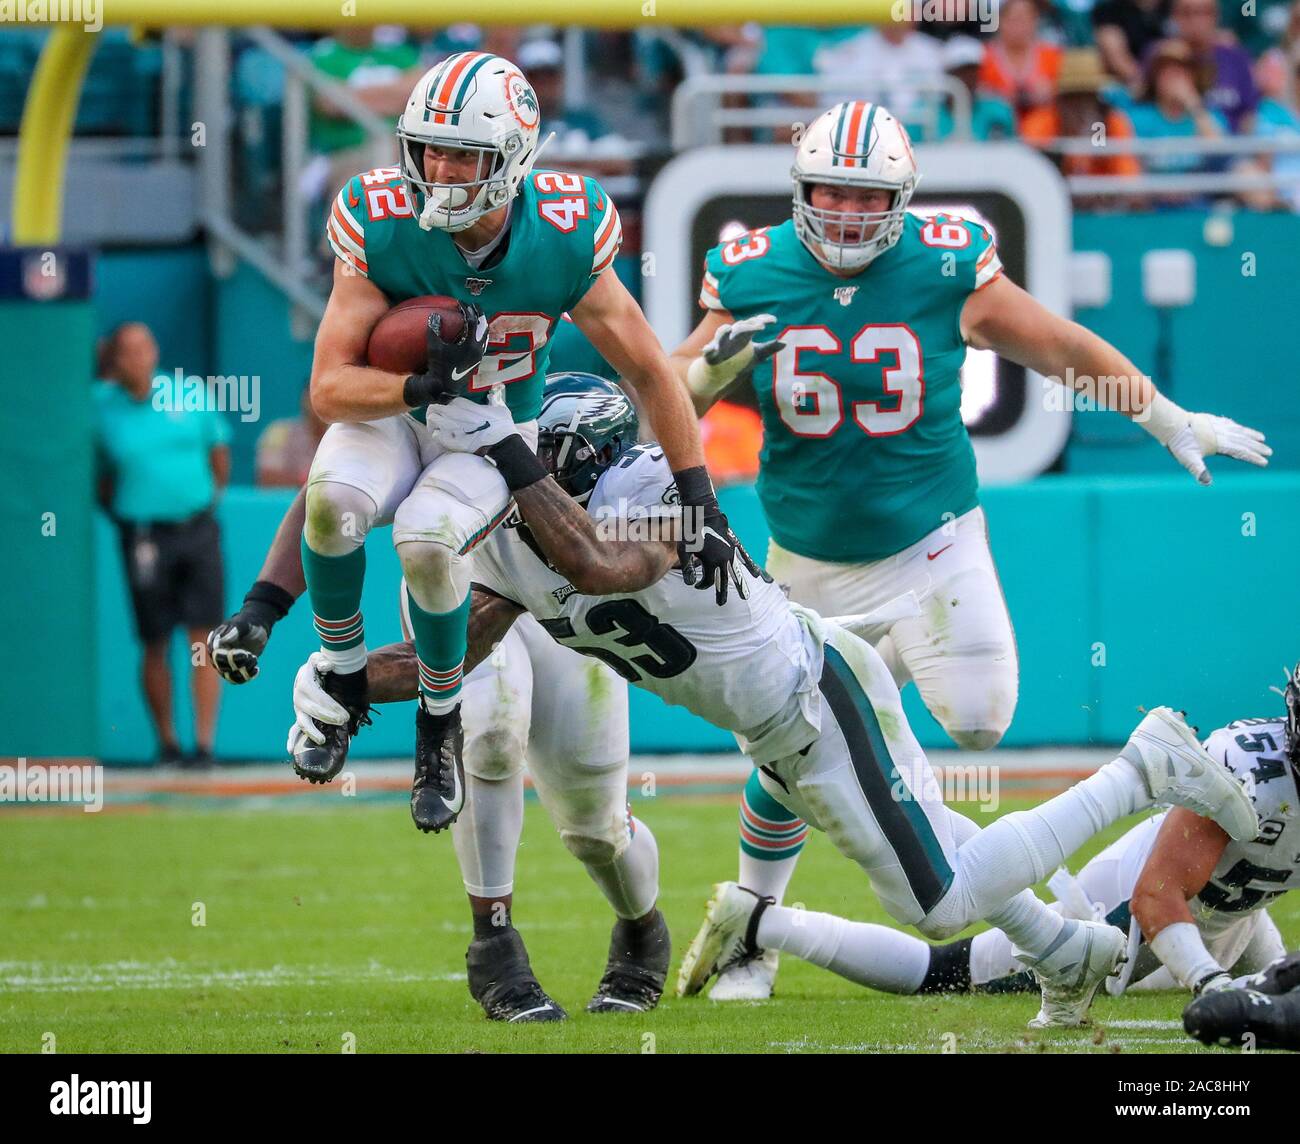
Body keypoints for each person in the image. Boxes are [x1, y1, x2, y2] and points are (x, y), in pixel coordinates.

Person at [289, 378, 1261, 1028]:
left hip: (815, 691)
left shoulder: (655, 495)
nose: (534, 471)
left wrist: (503, 449)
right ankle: (1065, 952)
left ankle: (1143, 767)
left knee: (938, 898)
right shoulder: (520, 539)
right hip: (780, 723)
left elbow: (596, 561)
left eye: (548, 457)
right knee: (933, 869)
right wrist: (337, 681)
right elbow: (458, 645)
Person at [670, 99, 1269, 1001]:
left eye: (867, 196)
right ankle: (756, 927)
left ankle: (875, 811)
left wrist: (1162, 414)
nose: (844, 212)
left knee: (980, 719)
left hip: (934, 544)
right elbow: (667, 394)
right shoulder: (749, 271)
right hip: (806, 555)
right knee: (786, 752)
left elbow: (1056, 346)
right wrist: (702, 380)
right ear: (799, 187)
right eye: (829, 190)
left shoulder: (946, 260)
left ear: (903, 199)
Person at [296, 51, 739, 836]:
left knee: (430, 543)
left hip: (497, 431)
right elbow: (328, 388)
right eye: (428, 147)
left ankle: (439, 723)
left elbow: (647, 368)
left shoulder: (563, 233)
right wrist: (418, 389)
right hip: (398, 413)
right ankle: (337, 680)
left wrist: (698, 494)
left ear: (512, 157)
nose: (439, 167)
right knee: (331, 506)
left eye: (462, 152)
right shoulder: (379, 213)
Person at [94, 322, 230, 767]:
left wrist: (203, 502)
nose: (140, 358)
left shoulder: (188, 393)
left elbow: (219, 456)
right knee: (154, 640)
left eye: (146, 348)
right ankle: (168, 743)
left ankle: (204, 745)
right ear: (115, 362)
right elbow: (100, 479)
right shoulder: (99, 408)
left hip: (196, 529)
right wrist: (130, 514)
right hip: (142, 536)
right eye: (129, 352)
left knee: (203, 638)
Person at [1019, 47, 1142, 208]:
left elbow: (1130, 185)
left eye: (1089, 96)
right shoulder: (1040, 124)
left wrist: (1095, 147)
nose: (1082, 106)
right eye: (1074, 96)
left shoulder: (1112, 124)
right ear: (1060, 99)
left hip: (1103, 214)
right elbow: (1029, 182)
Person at [1166, 0, 1259, 132]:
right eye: (1186, 13)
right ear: (1175, 16)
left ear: (1216, 16)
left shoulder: (1236, 59)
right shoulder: (1163, 60)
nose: (1195, 20)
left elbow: (1249, 116)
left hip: (1233, 146)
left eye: (1204, 12)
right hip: (1177, 146)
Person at [978, 0, 1064, 126]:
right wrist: (998, 96)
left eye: (1024, 19)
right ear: (1000, 21)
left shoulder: (1053, 56)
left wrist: (1050, 91)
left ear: (1035, 21)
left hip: (1042, 130)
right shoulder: (982, 56)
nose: (1018, 26)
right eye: (1013, 19)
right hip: (997, 128)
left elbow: (1067, 95)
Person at [255, 385, 327, 488]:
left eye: (323, 398)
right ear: (304, 400)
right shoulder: (279, 431)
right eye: (312, 397)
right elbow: (267, 477)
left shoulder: (344, 435)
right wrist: (307, 482)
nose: (317, 405)